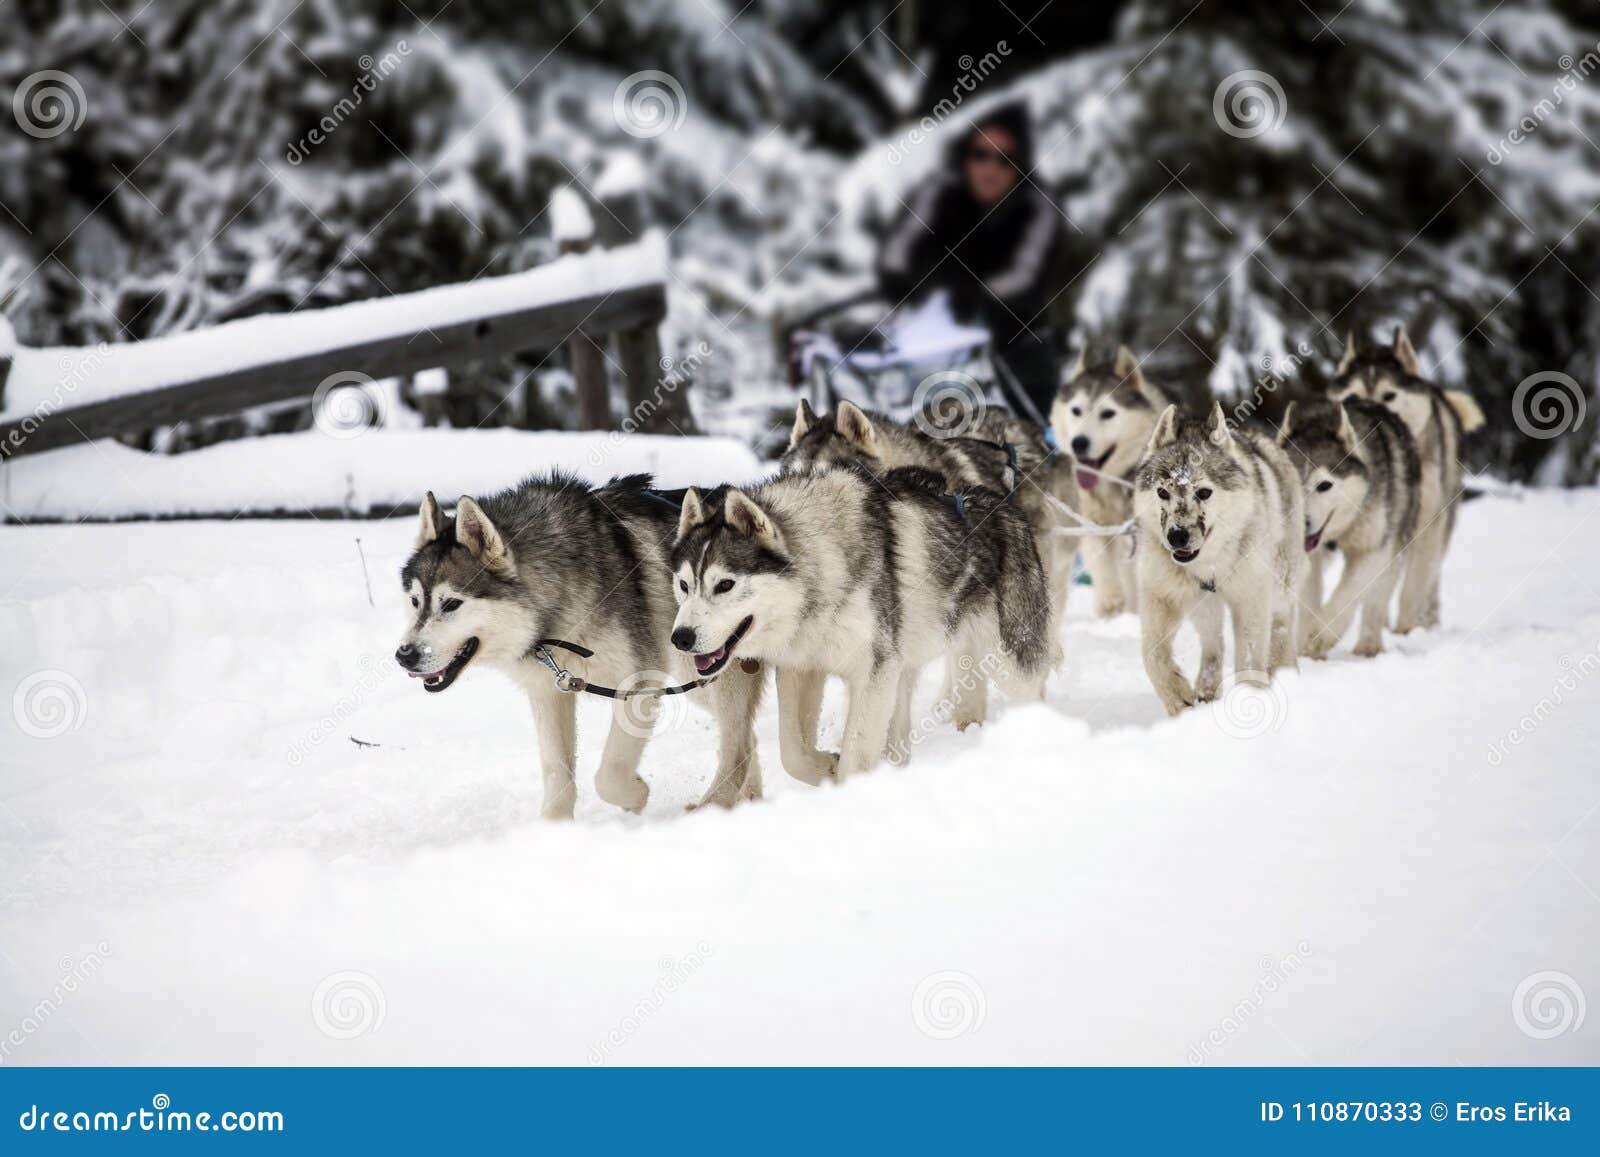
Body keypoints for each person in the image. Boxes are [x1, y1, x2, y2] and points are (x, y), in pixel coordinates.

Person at [877, 102, 1069, 424]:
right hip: (930, 339)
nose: (990, 168)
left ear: (1021, 165)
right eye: (980, 154)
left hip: (1015, 341)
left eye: (1005, 159)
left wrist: (979, 297)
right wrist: (909, 284)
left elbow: (1026, 275)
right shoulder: (938, 191)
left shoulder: (1040, 205)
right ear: (965, 156)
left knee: (1032, 417)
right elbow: (897, 253)